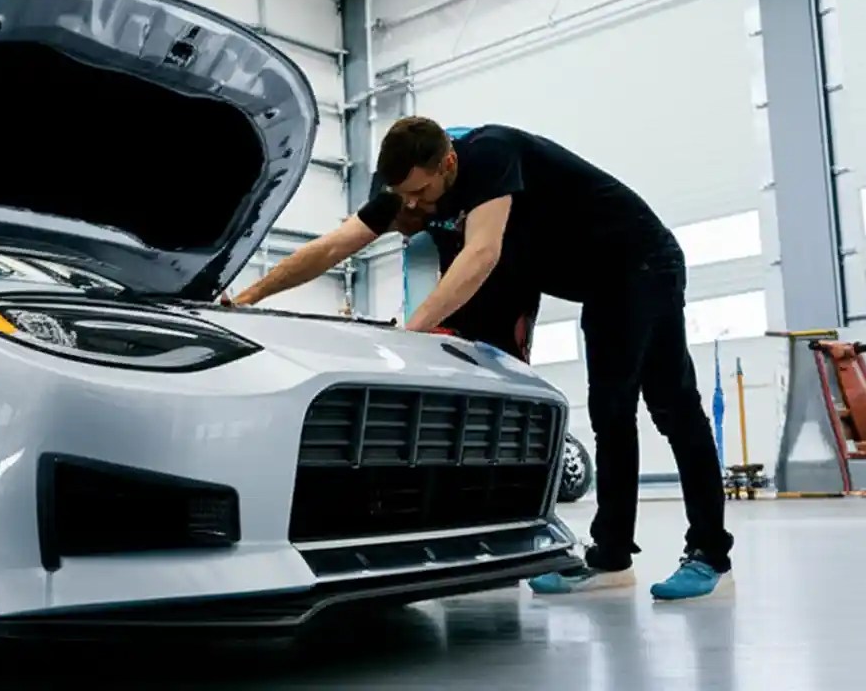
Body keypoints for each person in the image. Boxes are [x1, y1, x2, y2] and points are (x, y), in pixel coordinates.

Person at [228, 117, 734, 601]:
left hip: (641, 261)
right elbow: (331, 247)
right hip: (602, 285)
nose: (411, 205)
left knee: (666, 407)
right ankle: (613, 560)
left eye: (421, 192)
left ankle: (709, 556)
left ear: (448, 163)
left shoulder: (491, 154)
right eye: (403, 194)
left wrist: (412, 334)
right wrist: (247, 297)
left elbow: (482, 254)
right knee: (611, 412)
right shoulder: (410, 195)